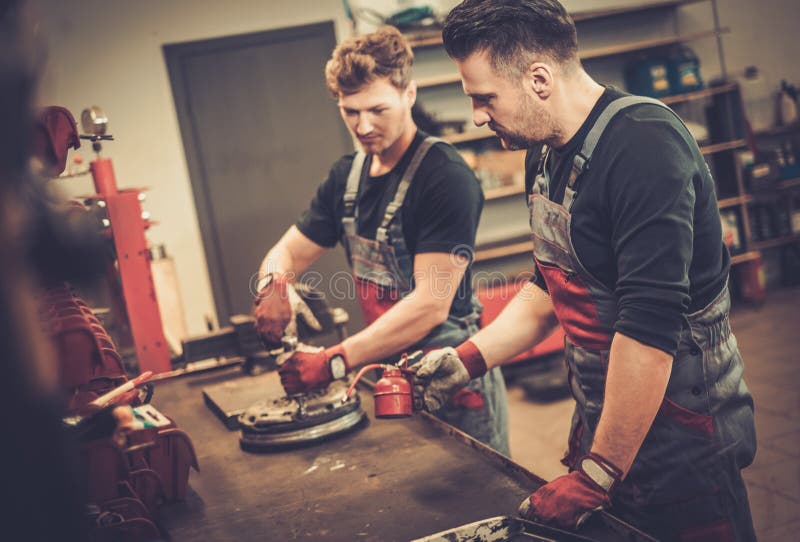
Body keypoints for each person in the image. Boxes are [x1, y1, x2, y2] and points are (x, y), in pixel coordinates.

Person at [411, 1, 756, 540]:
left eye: (485, 98)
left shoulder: (644, 146)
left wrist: (597, 474)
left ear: (539, 79)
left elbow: (649, 327)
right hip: (609, 427)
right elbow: (551, 282)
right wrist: (467, 359)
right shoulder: (544, 151)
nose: (478, 115)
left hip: (684, 437)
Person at [253, 26, 509, 455]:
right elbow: (289, 251)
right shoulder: (346, 178)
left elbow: (431, 304)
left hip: (452, 382)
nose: (364, 126)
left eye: (377, 109)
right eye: (350, 112)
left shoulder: (444, 177)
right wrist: (274, 284)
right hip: (387, 371)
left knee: (478, 505)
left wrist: (334, 360)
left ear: (409, 93)